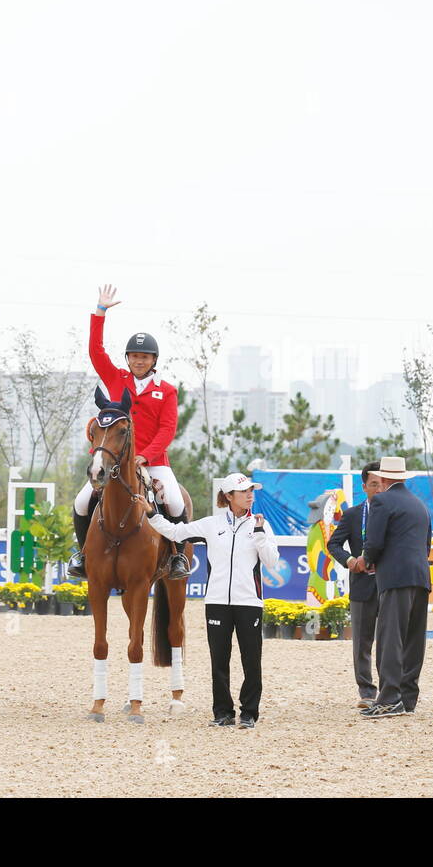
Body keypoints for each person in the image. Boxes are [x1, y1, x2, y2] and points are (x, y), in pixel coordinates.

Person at [71, 283, 189, 580]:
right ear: (128, 359)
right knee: (81, 501)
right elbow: (95, 352)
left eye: (145, 357)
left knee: (174, 501)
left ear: (154, 361)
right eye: (134, 356)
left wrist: (145, 457)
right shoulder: (115, 378)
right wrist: (100, 312)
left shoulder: (167, 391)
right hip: (112, 461)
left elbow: (167, 429)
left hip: (154, 462)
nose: (139, 360)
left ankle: (177, 557)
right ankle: (82, 555)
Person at [149, 473, 278, 728]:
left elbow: (271, 561)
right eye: (244, 492)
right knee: (219, 659)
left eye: (252, 491)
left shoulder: (261, 524)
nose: (250, 495)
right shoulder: (211, 524)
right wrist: (151, 515)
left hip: (249, 603)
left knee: (251, 660)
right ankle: (223, 713)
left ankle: (249, 713)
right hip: (217, 602)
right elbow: (176, 532)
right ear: (228, 496)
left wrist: (261, 534)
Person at [360, 457, 432, 719]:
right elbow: (426, 545)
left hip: (395, 576)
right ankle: (408, 697)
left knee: (391, 637)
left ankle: (389, 698)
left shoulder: (381, 501)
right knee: (414, 639)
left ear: (385, 478)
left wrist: (367, 560)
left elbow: (375, 541)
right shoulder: (419, 505)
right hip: (420, 576)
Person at [327, 461, 383, 709]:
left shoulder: (397, 513)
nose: (379, 488)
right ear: (364, 487)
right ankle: (367, 691)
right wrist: (349, 560)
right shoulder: (352, 515)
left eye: (383, 483)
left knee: (392, 639)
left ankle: (392, 688)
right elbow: (333, 544)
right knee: (362, 641)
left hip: (390, 584)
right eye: (373, 484)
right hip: (361, 584)